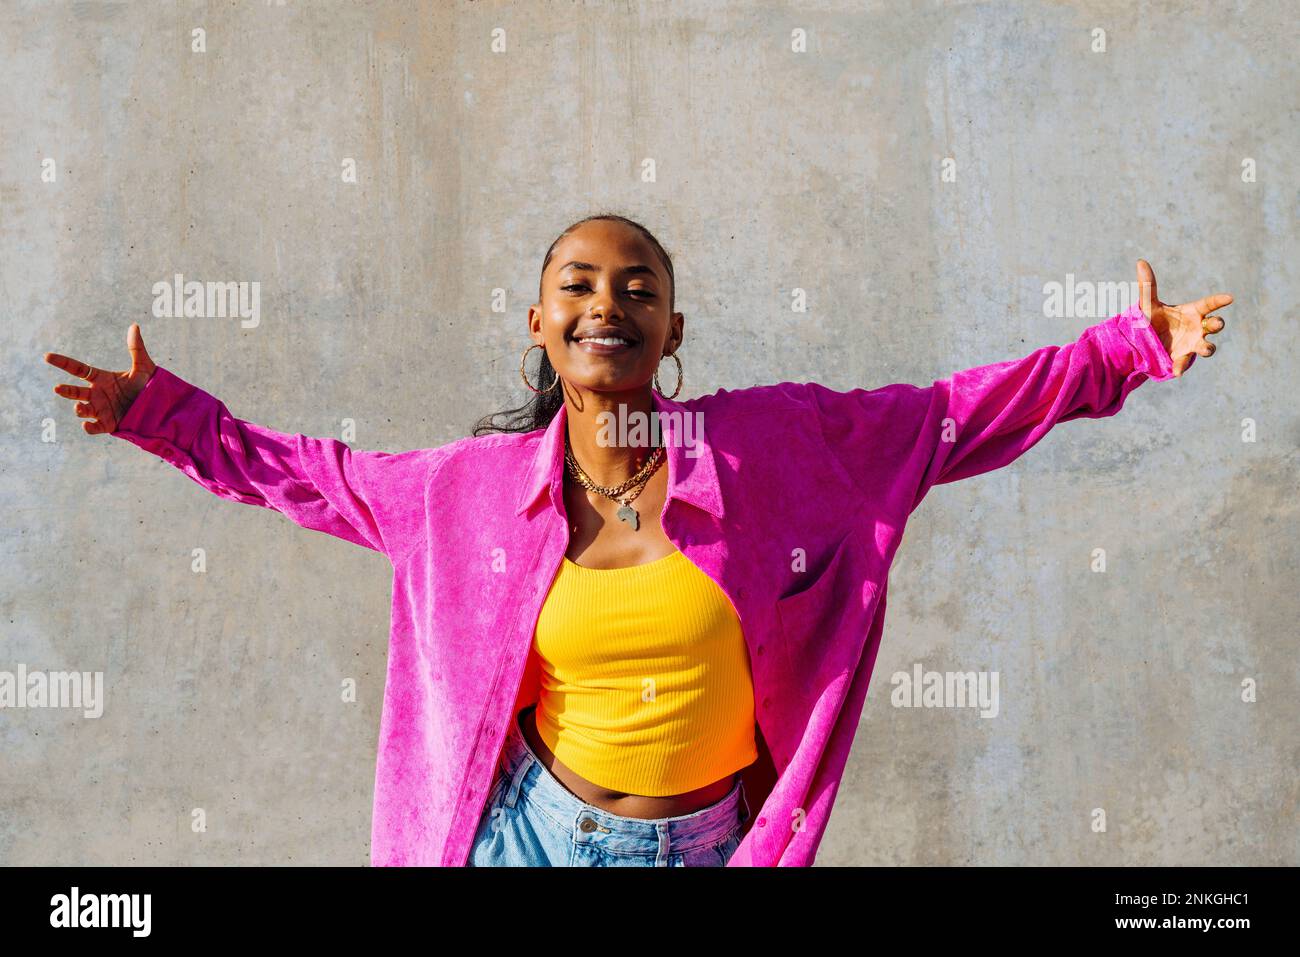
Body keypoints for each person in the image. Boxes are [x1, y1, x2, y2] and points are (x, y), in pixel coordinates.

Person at [42, 214, 1232, 866]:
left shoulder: (778, 449)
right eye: (577, 282)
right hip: (524, 837)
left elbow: (947, 419)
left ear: (671, 330)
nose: (605, 301)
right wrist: (161, 415)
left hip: (711, 845)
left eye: (636, 286)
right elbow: (311, 476)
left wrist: (1124, 351)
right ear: (540, 322)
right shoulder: (465, 493)